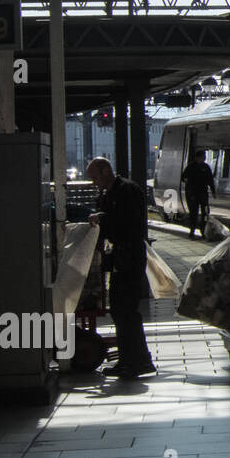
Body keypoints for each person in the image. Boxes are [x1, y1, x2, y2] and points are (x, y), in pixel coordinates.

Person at [86, 157, 156, 379]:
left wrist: (103, 218)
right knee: (120, 309)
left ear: (106, 171)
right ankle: (131, 359)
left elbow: (125, 223)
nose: (94, 183)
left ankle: (137, 361)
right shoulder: (111, 194)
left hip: (130, 258)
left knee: (126, 310)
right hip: (121, 259)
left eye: (95, 177)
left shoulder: (127, 190)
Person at [180, 150, 216, 239]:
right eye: (203, 156)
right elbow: (183, 177)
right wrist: (189, 184)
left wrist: (213, 191)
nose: (204, 158)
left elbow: (210, 180)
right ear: (197, 157)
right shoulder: (191, 167)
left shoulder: (206, 167)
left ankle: (203, 231)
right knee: (193, 213)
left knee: (205, 212)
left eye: (204, 157)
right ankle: (192, 231)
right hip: (192, 194)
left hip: (203, 193)